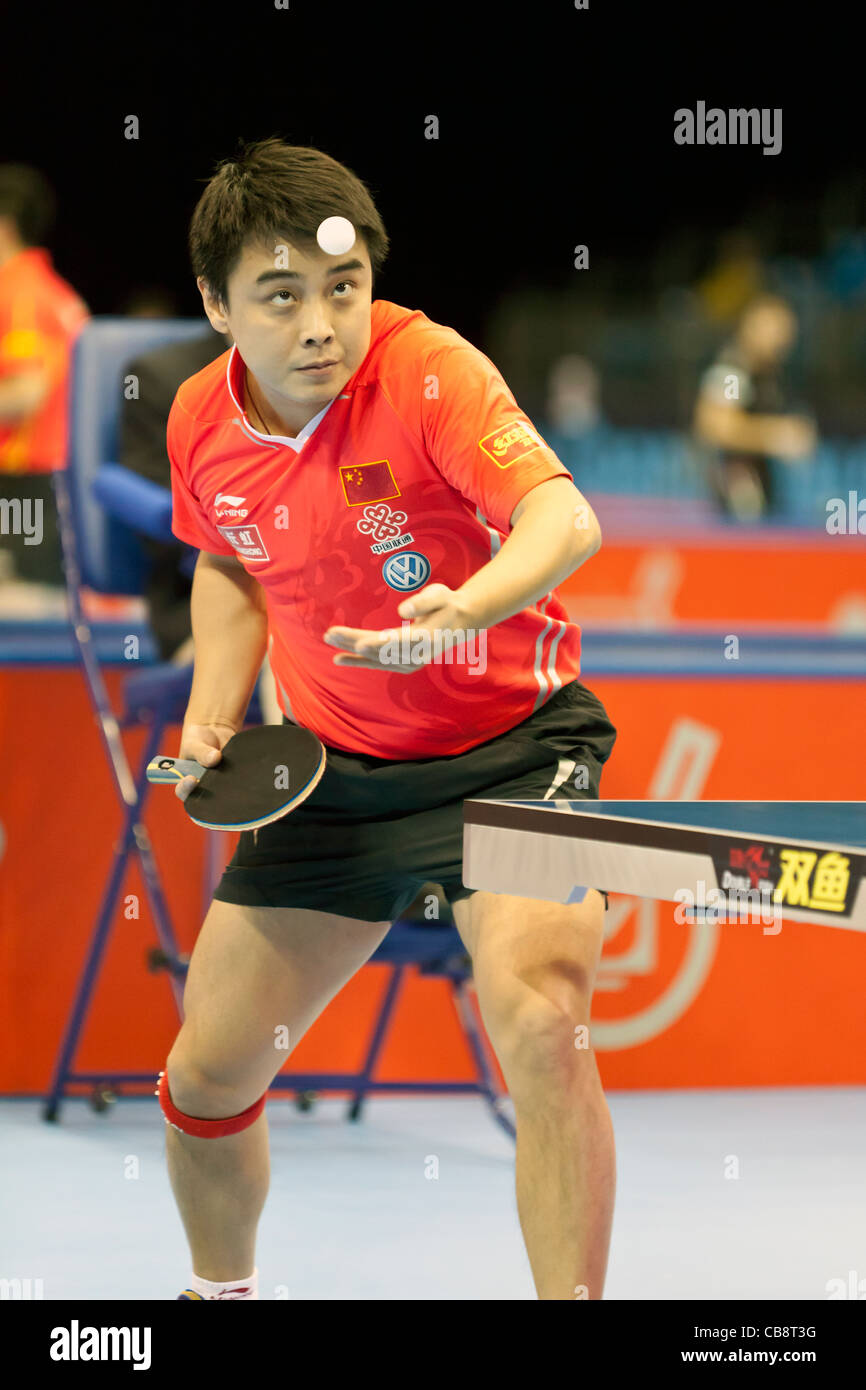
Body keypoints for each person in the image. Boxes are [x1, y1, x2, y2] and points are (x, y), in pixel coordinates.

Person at [161, 138, 618, 1302]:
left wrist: (463, 606)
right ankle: (222, 1296)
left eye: (344, 287)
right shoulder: (199, 424)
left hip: (513, 759)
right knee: (205, 1077)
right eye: (281, 296)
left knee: (542, 1021)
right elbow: (230, 564)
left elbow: (561, 521)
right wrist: (217, 712)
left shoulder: (430, 373)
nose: (322, 324)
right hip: (337, 780)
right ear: (217, 305)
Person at [0, 165, 88, 595]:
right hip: (62, 482)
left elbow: (25, 391)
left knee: (22, 619)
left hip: (24, 484)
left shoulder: (17, 292)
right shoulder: (59, 292)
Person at [692, 293, 816, 520]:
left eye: (785, 329)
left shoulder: (772, 374)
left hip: (765, 499)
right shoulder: (733, 371)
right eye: (773, 327)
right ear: (749, 326)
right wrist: (776, 435)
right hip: (734, 503)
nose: (780, 337)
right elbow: (717, 427)